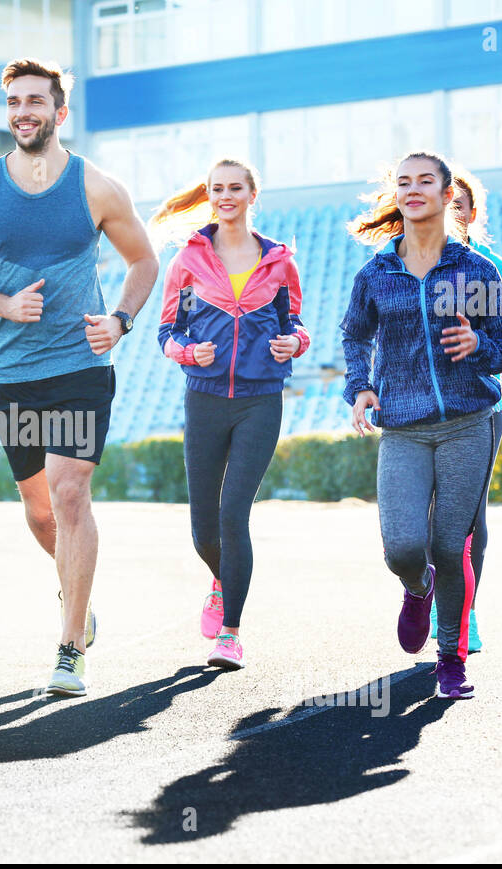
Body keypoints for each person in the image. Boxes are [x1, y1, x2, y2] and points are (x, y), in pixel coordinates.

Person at [0, 58, 159, 697]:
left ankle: (68, 648)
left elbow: (143, 261)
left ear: (60, 112)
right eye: (13, 102)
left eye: (35, 100)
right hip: (11, 373)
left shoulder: (98, 188)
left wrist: (120, 321)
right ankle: (77, 600)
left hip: (80, 366)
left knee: (69, 495)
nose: (23, 111)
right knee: (40, 515)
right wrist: (5, 306)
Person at [341, 151, 502, 700]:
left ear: (448, 196)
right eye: (404, 182)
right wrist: (360, 386)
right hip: (404, 428)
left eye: (426, 181)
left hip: (470, 422)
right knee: (402, 546)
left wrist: (478, 345)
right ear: (396, 196)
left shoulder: (476, 271)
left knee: (451, 545)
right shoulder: (377, 274)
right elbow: (354, 337)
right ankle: (416, 589)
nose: (413, 188)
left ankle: (451, 658)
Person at [150, 158, 309, 670]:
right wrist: (186, 352)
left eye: (234, 188)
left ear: (251, 195)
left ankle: (231, 633)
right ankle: (220, 580)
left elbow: (298, 326)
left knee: (233, 514)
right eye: (217, 188)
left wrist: (294, 343)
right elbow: (166, 333)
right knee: (203, 529)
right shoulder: (187, 261)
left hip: (261, 400)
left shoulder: (280, 261)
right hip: (204, 400)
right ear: (209, 195)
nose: (225, 195)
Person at [426, 167, 502, 653]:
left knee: (469, 517)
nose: (453, 214)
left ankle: (463, 613)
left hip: (480, 412)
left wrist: (477, 343)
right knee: (424, 516)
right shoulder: (408, 264)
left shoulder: (496, 270)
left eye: (460, 207)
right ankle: (428, 597)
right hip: (419, 414)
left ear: (470, 212)